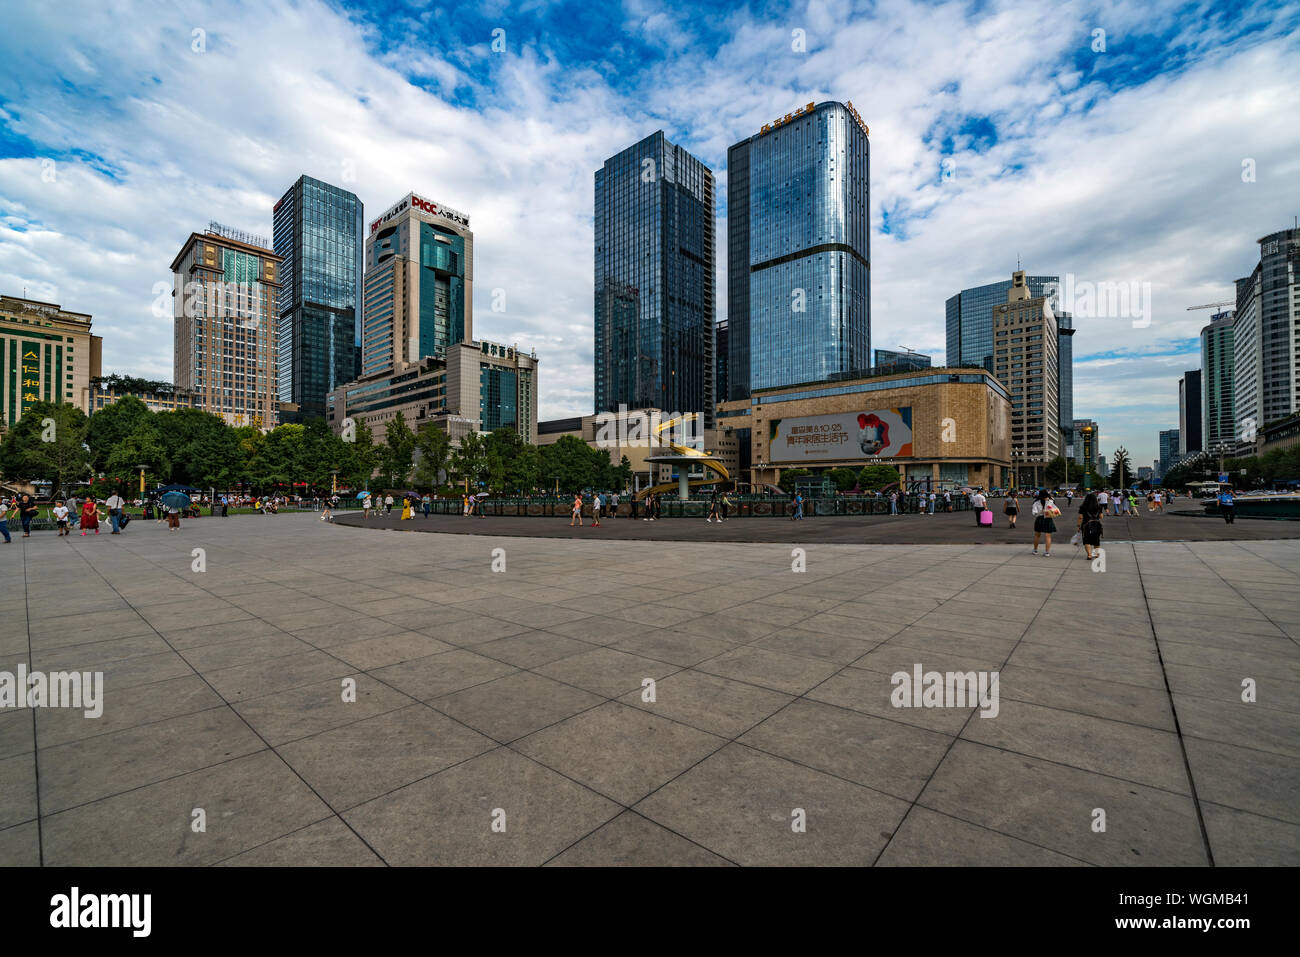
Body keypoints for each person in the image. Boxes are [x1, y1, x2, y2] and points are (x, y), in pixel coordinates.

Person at [1077, 492, 1104, 561]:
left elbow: (1080, 517)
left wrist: (1078, 526)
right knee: (1096, 540)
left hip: (1086, 525)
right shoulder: (1099, 507)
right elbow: (1101, 516)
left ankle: (1089, 555)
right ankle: (1096, 554)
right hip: (1097, 525)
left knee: (1087, 540)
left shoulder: (1083, 507)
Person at [1031, 489, 1057, 556]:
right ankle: (1047, 552)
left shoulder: (1036, 502)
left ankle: (1035, 550)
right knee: (1048, 536)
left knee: (1037, 535)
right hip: (1048, 518)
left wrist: (1041, 511)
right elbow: (1054, 509)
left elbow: (1034, 513)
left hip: (1039, 518)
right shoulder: (1051, 500)